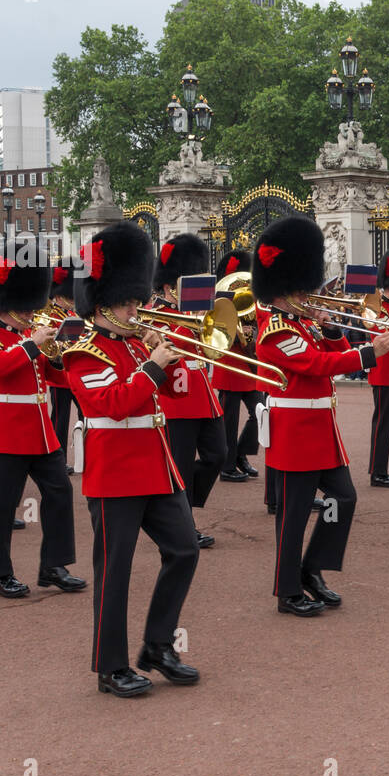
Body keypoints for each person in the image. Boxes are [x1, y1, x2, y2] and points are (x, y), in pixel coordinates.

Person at [63, 221, 200, 698]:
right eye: (126, 302)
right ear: (102, 304)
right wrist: (156, 366)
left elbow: (159, 394)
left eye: (136, 300)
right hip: (115, 474)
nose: (135, 308)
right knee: (115, 572)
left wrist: (177, 364)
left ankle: (158, 645)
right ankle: (110, 666)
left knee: (185, 549)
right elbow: (114, 404)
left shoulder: (140, 343)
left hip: (158, 468)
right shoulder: (82, 354)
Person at [252, 218, 389, 614]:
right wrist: (372, 352)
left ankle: (313, 568)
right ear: (285, 290)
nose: (310, 295)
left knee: (343, 498)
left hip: (320, 430)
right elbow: (317, 365)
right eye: (303, 289)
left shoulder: (301, 323)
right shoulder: (275, 331)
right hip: (295, 432)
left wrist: (331, 327)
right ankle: (288, 590)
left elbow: (327, 350)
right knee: (294, 515)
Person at [0, 254, 86, 599]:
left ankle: (53, 565)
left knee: (60, 493)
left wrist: (59, 356)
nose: (29, 313)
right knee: (2, 506)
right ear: (4, 305)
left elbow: (56, 377)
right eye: (23, 307)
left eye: (30, 306)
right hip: (6, 433)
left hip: (41, 431)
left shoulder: (29, 335)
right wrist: (33, 344)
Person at [149, 234, 228, 549]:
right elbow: (166, 347)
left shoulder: (198, 313)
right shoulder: (158, 316)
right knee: (179, 465)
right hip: (176, 402)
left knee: (217, 456)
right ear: (170, 288)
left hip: (204, 397)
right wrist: (191, 327)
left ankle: (178, 510)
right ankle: (183, 524)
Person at [212, 249, 260, 484]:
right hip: (229, 367)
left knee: (260, 412)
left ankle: (240, 452)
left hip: (248, 366)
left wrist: (252, 331)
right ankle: (227, 465)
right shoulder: (219, 303)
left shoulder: (249, 298)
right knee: (228, 422)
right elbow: (216, 336)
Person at [366, 254, 389, 488]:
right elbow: (380, 334)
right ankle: (378, 471)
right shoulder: (376, 307)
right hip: (384, 372)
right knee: (383, 422)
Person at [46, 261, 82, 466]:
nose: (72, 301)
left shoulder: (74, 315)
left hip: (76, 372)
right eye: (69, 297)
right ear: (58, 297)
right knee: (60, 420)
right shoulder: (50, 316)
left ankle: (85, 454)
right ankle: (59, 459)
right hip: (61, 375)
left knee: (86, 414)